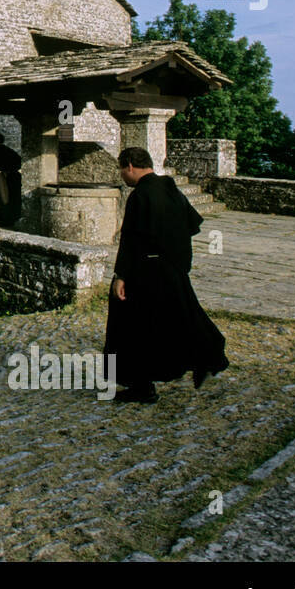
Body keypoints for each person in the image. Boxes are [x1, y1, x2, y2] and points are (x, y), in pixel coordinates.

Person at [104, 146, 228, 403]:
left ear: (129, 166)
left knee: (131, 327)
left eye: (121, 170)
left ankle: (141, 385)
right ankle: (206, 358)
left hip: (146, 271)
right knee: (179, 318)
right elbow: (192, 226)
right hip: (172, 268)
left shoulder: (140, 196)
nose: (122, 176)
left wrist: (121, 275)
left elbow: (132, 239)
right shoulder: (171, 190)